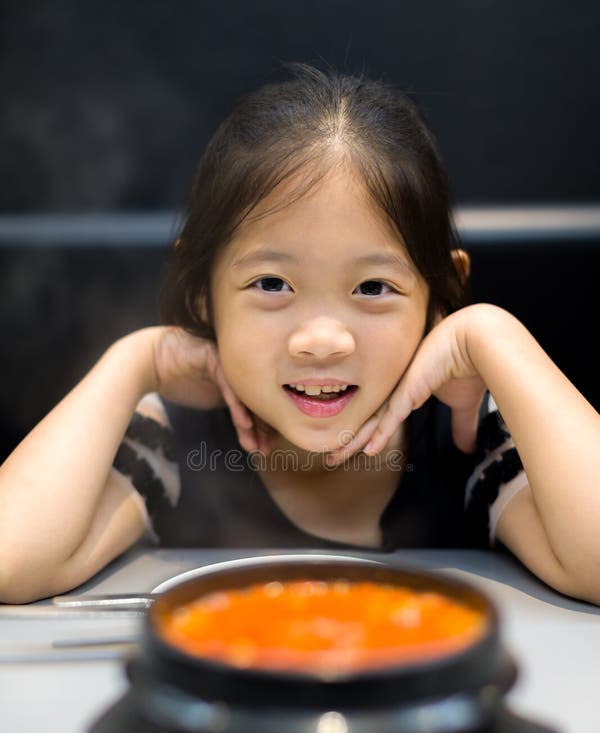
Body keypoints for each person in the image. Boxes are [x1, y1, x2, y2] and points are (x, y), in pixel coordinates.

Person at [1, 63, 599, 605]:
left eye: (372, 288)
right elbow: (9, 562)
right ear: (203, 294)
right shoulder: (177, 436)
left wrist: (494, 337)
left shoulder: (462, 435)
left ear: (438, 295)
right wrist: (134, 359)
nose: (320, 339)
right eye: (271, 283)